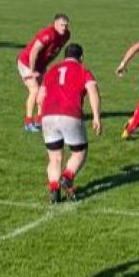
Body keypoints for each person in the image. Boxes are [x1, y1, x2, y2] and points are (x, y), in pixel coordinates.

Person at [38, 43, 102, 202]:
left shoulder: (52, 70)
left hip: (48, 116)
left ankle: (54, 189)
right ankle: (67, 178)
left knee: (54, 157)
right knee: (80, 152)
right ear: (81, 58)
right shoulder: (83, 70)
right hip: (70, 115)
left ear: (64, 57)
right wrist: (96, 116)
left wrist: (41, 115)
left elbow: (40, 97)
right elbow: (93, 92)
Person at [16, 14, 71, 132]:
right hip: (27, 62)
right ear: (55, 24)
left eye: (66, 26)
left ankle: (40, 121)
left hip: (40, 64)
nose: (64, 28)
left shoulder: (66, 35)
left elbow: (56, 50)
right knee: (35, 90)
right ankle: (28, 123)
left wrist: (45, 65)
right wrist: (32, 71)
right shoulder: (48, 34)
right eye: (61, 25)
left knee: (43, 90)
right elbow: (34, 52)